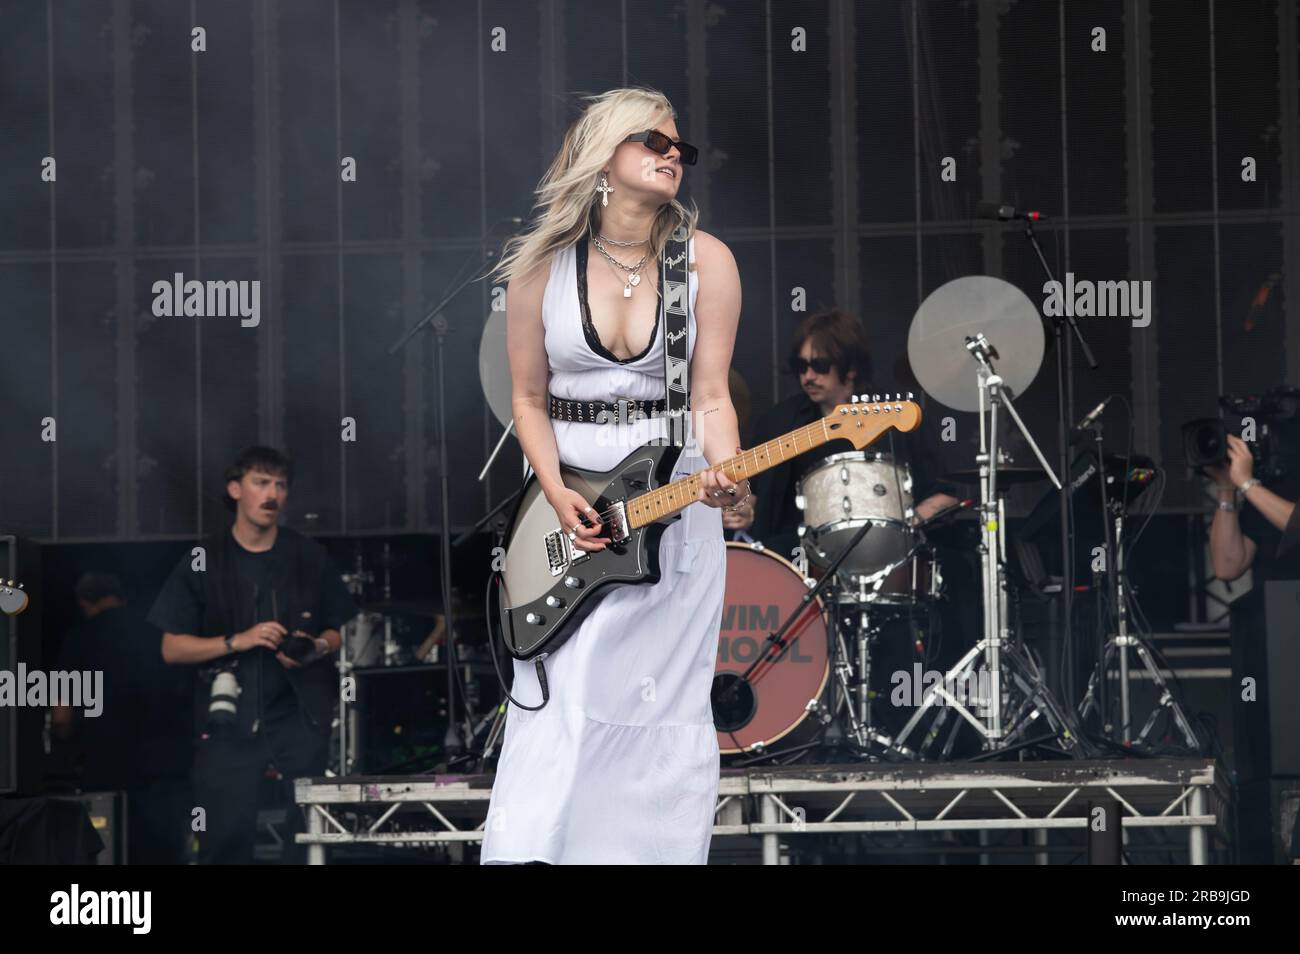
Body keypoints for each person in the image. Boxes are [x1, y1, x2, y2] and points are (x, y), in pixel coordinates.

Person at [481, 87, 743, 864]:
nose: (672, 155)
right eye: (653, 142)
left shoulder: (707, 263)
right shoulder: (539, 271)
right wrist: (555, 488)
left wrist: (725, 470)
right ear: (604, 158)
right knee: (576, 687)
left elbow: (711, 395)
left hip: (675, 504)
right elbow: (527, 398)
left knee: (661, 701)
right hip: (570, 503)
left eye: (679, 149)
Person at [147, 446, 357, 864]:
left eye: (280, 485)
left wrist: (315, 646)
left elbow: (337, 629)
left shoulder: (308, 555)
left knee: (308, 836)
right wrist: (235, 641)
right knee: (224, 835)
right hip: (229, 721)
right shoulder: (204, 558)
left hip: (298, 714)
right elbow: (171, 648)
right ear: (235, 489)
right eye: (261, 482)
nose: (272, 494)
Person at [740, 308, 959, 561]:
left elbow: (944, 495)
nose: (808, 376)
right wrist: (744, 510)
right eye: (801, 366)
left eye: (820, 366)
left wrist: (905, 528)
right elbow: (753, 495)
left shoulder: (896, 416)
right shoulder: (778, 421)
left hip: (888, 557)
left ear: (852, 368)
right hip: (799, 559)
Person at [51, 571, 193, 863]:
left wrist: (66, 746)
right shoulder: (159, 633)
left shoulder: (77, 640)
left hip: (105, 765)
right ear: (121, 598)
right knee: (165, 851)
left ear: (83, 603)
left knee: (108, 850)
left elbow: (62, 717)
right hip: (165, 764)